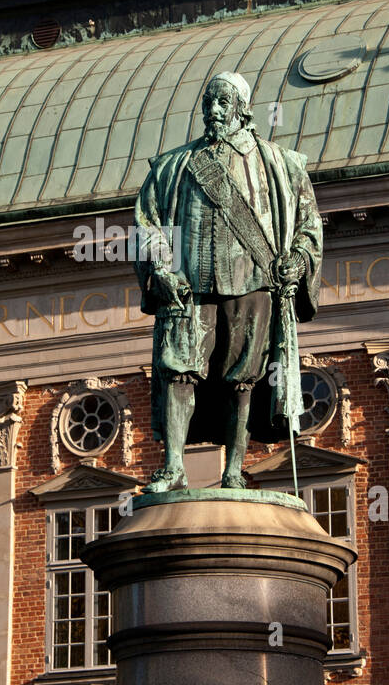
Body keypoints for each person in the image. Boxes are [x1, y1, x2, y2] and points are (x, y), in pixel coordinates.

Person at [134, 72, 322, 491]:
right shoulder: (172, 167)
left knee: (243, 376)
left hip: (252, 280)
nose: (213, 111)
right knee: (178, 368)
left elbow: (308, 226)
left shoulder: (280, 164)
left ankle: (234, 470)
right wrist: (161, 269)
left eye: (222, 103)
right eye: (208, 103)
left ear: (243, 109)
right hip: (189, 285)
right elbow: (148, 225)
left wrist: (299, 258)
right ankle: (174, 467)